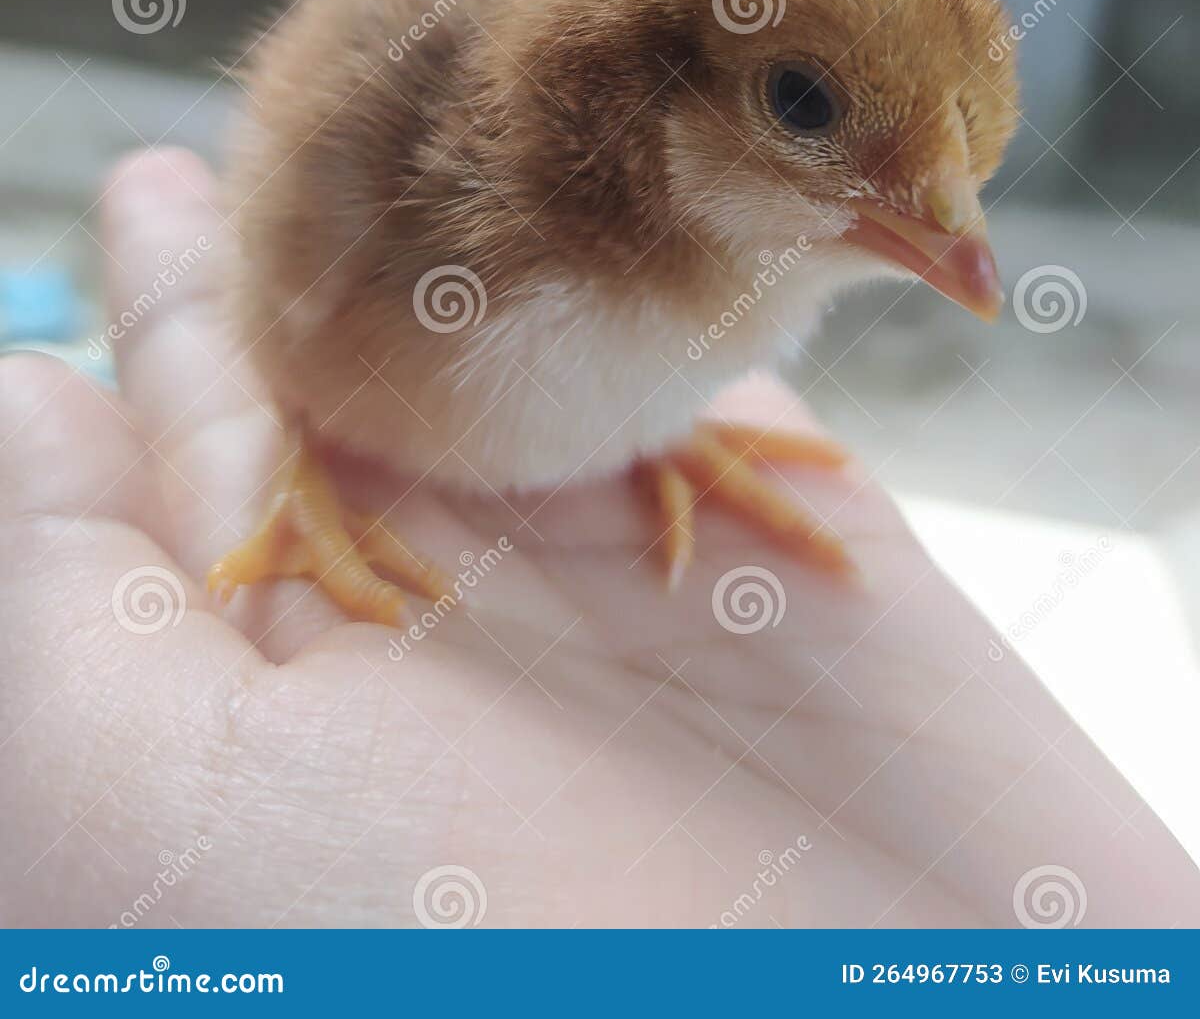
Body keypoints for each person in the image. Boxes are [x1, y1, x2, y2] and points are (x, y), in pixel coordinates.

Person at [1, 150, 1196, 929]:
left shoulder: (728, 276)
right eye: (804, 106)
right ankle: (306, 448)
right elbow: (292, 274)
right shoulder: (472, 209)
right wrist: (298, 450)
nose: (961, 235)